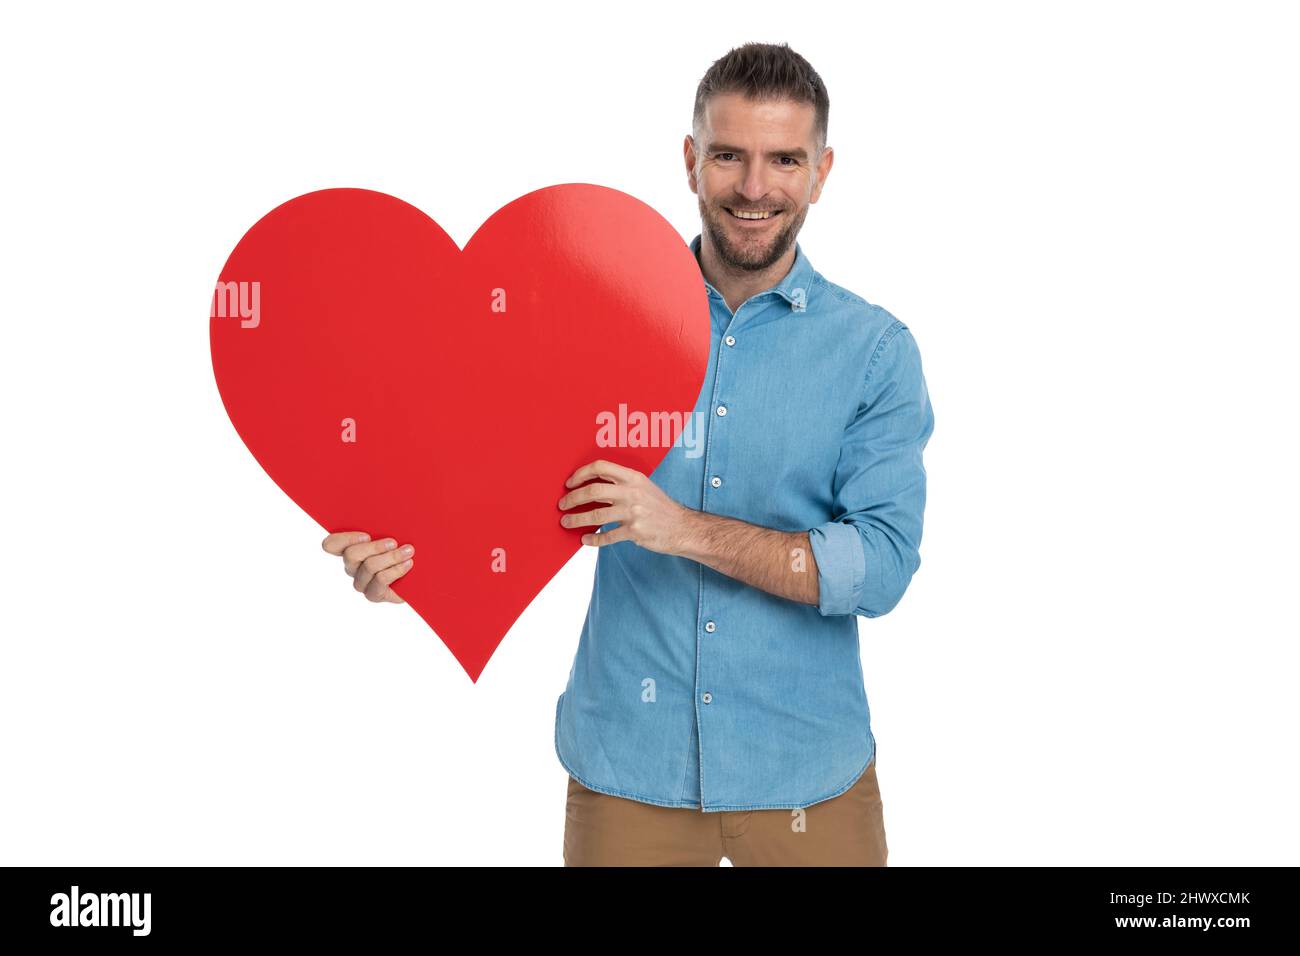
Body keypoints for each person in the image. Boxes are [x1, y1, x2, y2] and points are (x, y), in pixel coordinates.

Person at [321, 41, 934, 866]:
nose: (755, 189)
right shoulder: (590, 317)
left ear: (821, 171)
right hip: (628, 772)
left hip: (807, 778)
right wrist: (424, 573)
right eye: (728, 156)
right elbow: (500, 484)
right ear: (690, 161)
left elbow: (882, 567)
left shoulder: (875, 352)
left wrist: (679, 527)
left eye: (783, 159)